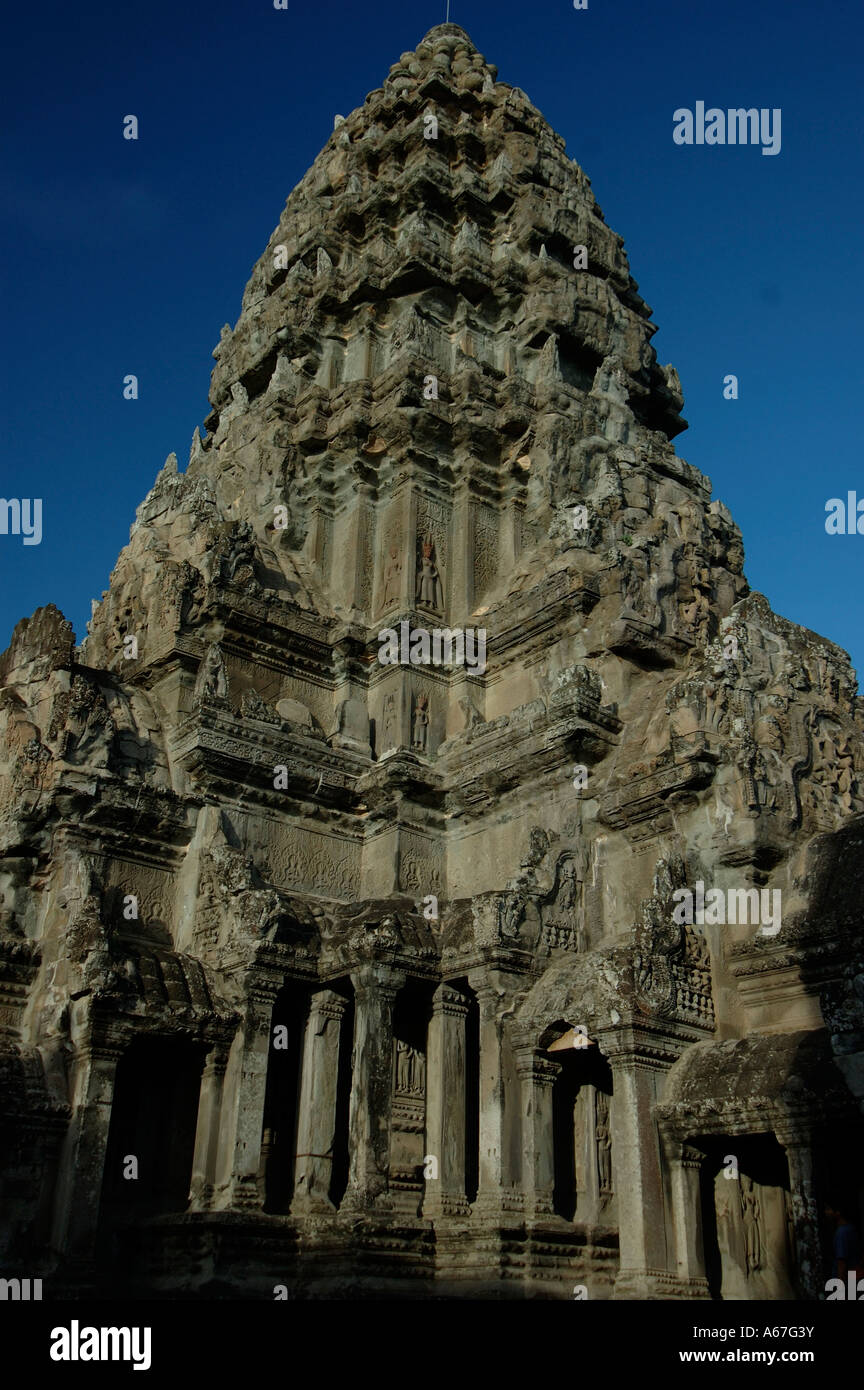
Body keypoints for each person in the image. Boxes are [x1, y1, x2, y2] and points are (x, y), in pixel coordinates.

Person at [825, 1203, 863, 1282]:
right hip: (855, 1275)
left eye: (829, 1209)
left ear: (837, 1212)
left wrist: (840, 1287)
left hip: (848, 1277)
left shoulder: (841, 1233)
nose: (826, 1212)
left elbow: (841, 1263)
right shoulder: (851, 1228)